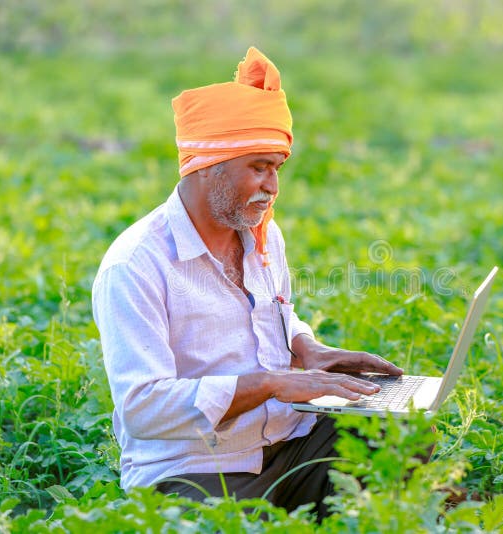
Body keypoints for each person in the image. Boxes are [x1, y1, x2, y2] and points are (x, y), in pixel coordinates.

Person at [91, 47, 402, 519]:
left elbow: (276, 311)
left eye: (277, 168)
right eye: (258, 167)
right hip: (193, 470)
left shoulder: (263, 236)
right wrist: (269, 383)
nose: (273, 187)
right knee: (222, 526)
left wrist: (305, 348)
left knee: (402, 436)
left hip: (287, 444)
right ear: (207, 166)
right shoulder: (135, 265)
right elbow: (142, 407)